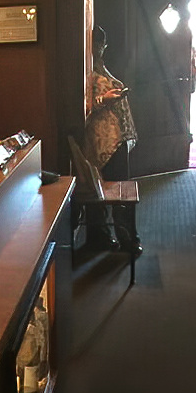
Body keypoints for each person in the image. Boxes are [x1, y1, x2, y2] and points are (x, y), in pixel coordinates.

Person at [83, 25, 141, 254]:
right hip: (102, 140)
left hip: (116, 138)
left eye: (102, 44)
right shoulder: (84, 70)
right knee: (110, 189)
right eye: (97, 44)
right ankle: (116, 239)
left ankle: (120, 237)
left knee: (120, 189)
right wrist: (103, 100)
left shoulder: (99, 67)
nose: (100, 49)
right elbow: (82, 106)